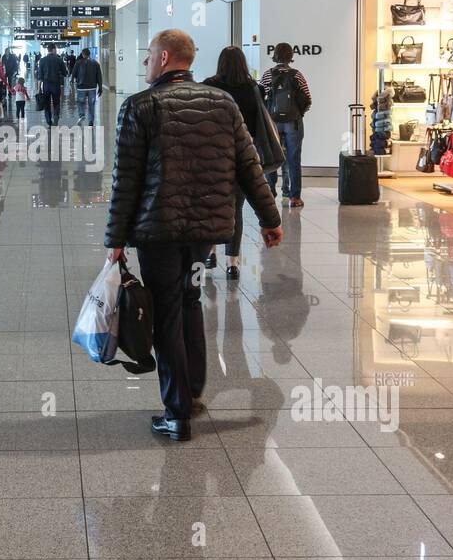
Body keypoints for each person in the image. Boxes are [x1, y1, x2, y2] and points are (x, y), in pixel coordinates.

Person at [105, 29, 283, 442]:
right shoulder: (223, 103)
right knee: (189, 301)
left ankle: (177, 411)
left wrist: (115, 238)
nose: (146, 63)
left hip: (158, 231)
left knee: (165, 312)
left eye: (148, 56)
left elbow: (125, 182)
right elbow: (249, 164)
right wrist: (270, 218)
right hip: (205, 231)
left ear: (165, 57)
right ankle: (194, 391)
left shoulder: (140, 106)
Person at [203, 46, 269, 279]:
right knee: (236, 210)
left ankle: (210, 253)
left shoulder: (209, 86)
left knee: (213, 207)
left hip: (214, 156)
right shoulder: (254, 88)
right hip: (243, 156)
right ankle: (233, 263)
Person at [259, 42, 312, 208]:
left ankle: (270, 195)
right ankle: (295, 197)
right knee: (294, 159)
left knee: (272, 158)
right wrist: (298, 114)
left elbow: (260, 98)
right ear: (291, 56)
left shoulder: (268, 75)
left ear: (275, 55)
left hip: (273, 123)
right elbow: (308, 100)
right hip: (293, 123)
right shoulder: (297, 75)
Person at [36, 44, 68, 126]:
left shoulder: (42, 60)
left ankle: (49, 121)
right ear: (53, 49)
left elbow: (40, 76)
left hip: (46, 85)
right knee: (56, 102)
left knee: (47, 103)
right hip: (56, 85)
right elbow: (65, 73)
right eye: (56, 49)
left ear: (48, 50)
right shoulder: (59, 60)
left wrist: (39, 88)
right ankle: (56, 116)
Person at [72, 46, 102, 126]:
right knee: (91, 105)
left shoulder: (78, 63)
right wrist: (100, 88)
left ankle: (82, 115)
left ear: (82, 54)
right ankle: (91, 122)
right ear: (90, 54)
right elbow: (99, 76)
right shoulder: (96, 63)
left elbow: (73, 74)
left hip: (81, 88)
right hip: (92, 88)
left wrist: (72, 82)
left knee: (80, 102)